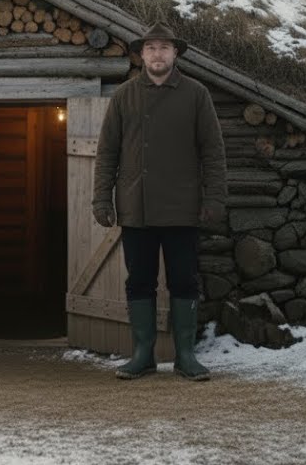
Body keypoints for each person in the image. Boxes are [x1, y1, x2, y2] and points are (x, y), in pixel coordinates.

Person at [92, 22, 227, 380]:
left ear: (175, 53)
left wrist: (214, 198)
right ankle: (142, 355)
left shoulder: (196, 94)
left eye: (164, 48)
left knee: (184, 281)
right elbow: (107, 152)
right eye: (150, 48)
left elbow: (212, 152)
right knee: (139, 281)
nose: (157, 54)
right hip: (137, 208)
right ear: (141, 55)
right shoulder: (124, 96)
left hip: (183, 208)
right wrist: (101, 199)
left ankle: (185, 356)